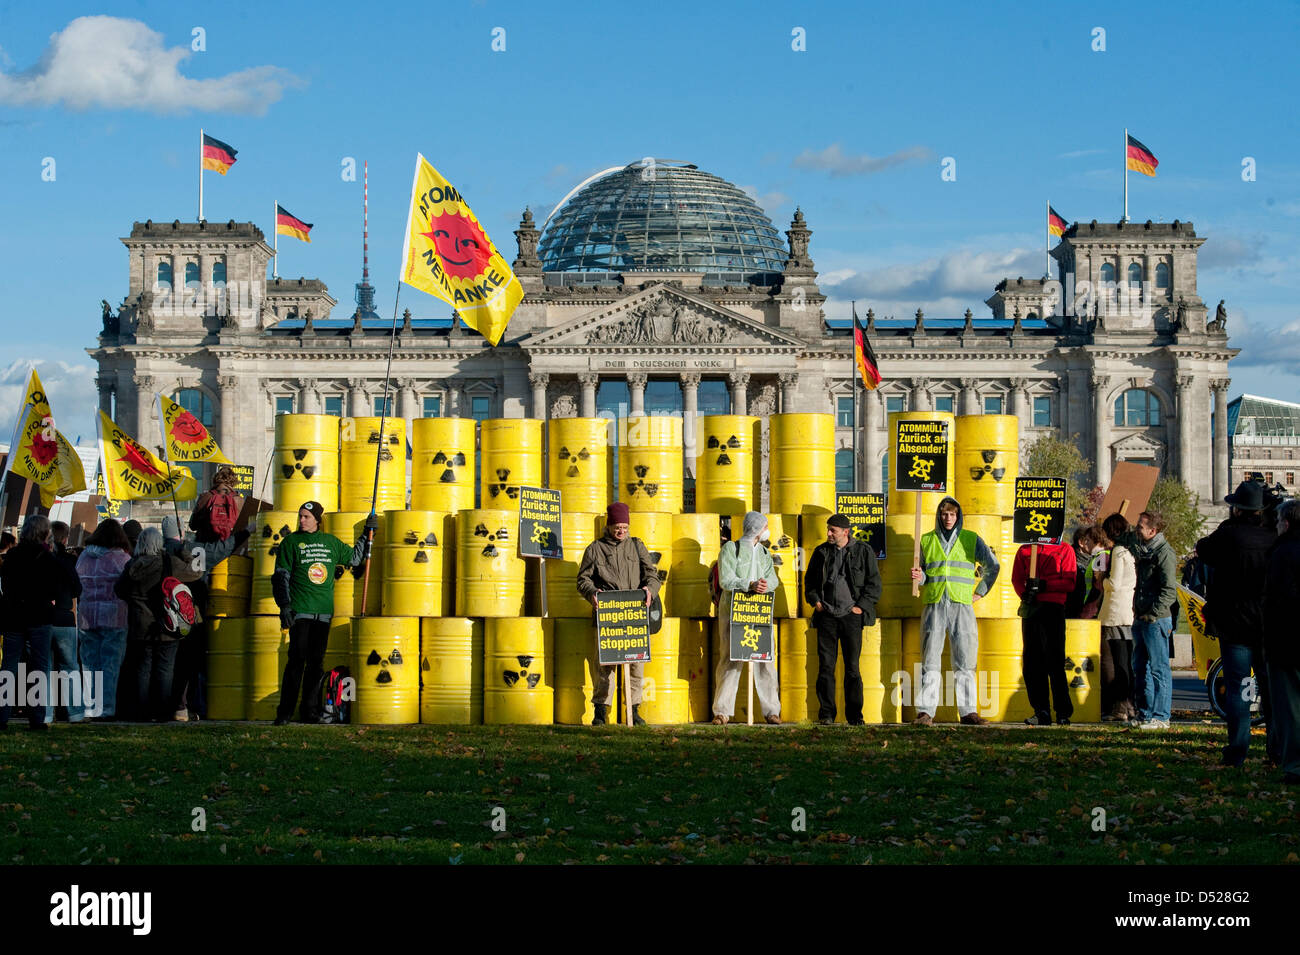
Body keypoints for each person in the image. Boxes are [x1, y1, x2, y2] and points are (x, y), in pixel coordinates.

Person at [1196, 481, 1276, 767]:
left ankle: (1238, 748)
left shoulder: (1229, 535)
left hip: (1234, 624)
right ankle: (1276, 749)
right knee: (1270, 689)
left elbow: (1203, 549)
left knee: (1239, 688)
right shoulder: (1272, 537)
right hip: (1265, 623)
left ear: (1238, 509)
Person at [271, 501, 371, 725]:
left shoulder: (330, 542)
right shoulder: (291, 542)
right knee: (296, 662)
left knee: (316, 665)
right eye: (300, 516)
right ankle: (284, 713)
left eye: (306, 516)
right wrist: (285, 605)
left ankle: (310, 711)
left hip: (324, 614)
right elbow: (280, 576)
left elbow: (354, 558)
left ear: (318, 519)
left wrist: (366, 533)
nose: (302, 520)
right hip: (300, 611)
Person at [909, 497, 1000, 726]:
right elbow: (927, 573)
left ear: (958, 516)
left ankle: (968, 712)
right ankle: (925, 712)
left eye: (952, 514)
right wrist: (921, 578)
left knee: (965, 660)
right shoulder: (927, 540)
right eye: (944, 514)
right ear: (939, 515)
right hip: (935, 603)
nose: (948, 518)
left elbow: (993, 565)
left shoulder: (971, 539)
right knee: (929, 660)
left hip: (961, 604)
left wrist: (980, 592)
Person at [575, 502, 661, 726]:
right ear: (609, 526)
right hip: (607, 615)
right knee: (605, 665)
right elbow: (582, 580)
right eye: (617, 527)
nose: (621, 531)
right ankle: (600, 712)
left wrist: (649, 590)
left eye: (624, 527)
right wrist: (592, 593)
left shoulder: (636, 546)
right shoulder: (594, 549)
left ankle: (634, 710)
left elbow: (652, 575)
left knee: (636, 664)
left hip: (634, 615)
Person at [162, 515, 249, 721]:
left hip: (162, 617)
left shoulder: (155, 552)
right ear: (182, 531)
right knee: (190, 664)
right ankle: (188, 706)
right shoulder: (192, 550)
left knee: (164, 665)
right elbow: (222, 550)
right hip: (192, 615)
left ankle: (165, 706)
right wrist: (247, 530)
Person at [116, 527, 203, 721]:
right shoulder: (169, 562)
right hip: (167, 624)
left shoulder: (132, 565)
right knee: (165, 669)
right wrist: (183, 550)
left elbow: (119, 590)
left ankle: (141, 712)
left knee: (142, 669)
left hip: (139, 626)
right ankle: (163, 711)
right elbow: (197, 571)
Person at [803, 513, 882, 725]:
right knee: (826, 667)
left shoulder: (863, 551)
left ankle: (855, 716)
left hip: (851, 617)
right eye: (828, 529)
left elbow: (874, 585)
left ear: (845, 532)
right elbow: (809, 581)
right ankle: (827, 714)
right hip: (827, 616)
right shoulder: (821, 552)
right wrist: (816, 602)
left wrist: (860, 608)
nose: (828, 533)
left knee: (852, 669)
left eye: (833, 531)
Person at [0, 516, 74, 731]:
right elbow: (57, 585)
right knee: (39, 667)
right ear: (45, 533)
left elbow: (6, 585)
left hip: (14, 616)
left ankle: (2, 714)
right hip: (40, 616)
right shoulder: (48, 558)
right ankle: (37, 717)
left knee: (9, 666)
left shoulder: (12, 555)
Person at [712, 512, 782, 725]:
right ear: (757, 529)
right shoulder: (730, 549)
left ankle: (772, 711)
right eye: (765, 527)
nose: (766, 531)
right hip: (733, 612)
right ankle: (722, 712)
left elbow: (773, 579)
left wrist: (764, 585)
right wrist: (748, 585)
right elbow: (726, 579)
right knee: (731, 659)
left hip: (759, 611)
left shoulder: (763, 552)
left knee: (765, 661)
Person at [1012, 533, 1078, 726]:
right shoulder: (1025, 550)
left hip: (1053, 608)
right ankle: (1041, 711)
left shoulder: (1064, 549)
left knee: (1055, 661)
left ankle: (1063, 712)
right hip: (1032, 608)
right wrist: (1025, 594)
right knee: (1032, 662)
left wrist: (1045, 585)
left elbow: (1070, 582)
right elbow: (1016, 579)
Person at [75, 519, 133, 720]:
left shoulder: (84, 556)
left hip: (86, 616)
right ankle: (106, 707)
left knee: (89, 663)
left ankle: (90, 706)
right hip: (114, 616)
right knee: (110, 664)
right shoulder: (121, 558)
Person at [1263, 498, 1300, 784]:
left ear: (1286, 524)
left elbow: (1276, 600)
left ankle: (1294, 764)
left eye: (1277, 522)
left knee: (1288, 707)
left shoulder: (1282, 552)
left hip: (1286, 641)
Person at [1132, 510, 1177, 730]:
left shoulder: (1164, 553)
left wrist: (1153, 613)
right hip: (1141, 617)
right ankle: (1145, 714)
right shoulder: (1145, 550)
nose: (1137, 529)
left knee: (1159, 669)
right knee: (1141, 667)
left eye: (1140, 526)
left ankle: (1161, 716)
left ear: (1153, 530)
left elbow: (1170, 590)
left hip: (1155, 620)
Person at [1098, 514, 1138, 721]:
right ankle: (1129, 704)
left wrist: (1101, 578)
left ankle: (1120, 706)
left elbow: (1114, 583)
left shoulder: (1119, 551)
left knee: (1115, 661)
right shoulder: (1132, 549)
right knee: (1125, 661)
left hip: (1115, 611)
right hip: (1126, 610)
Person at [48, 521, 87, 723]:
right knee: (70, 666)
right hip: (64, 617)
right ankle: (75, 712)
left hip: (42, 617)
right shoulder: (68, 561)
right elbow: (77, 589)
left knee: (44, 666)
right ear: (65, 538)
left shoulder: (41, 559)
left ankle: (45, 713)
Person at [189, 466, 244, 543]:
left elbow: (192, 525)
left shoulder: (205, 497)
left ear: (215, 480)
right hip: (229, 547)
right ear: (233, 483)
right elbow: (245, 529)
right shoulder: (239, 501)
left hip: (205, 547)